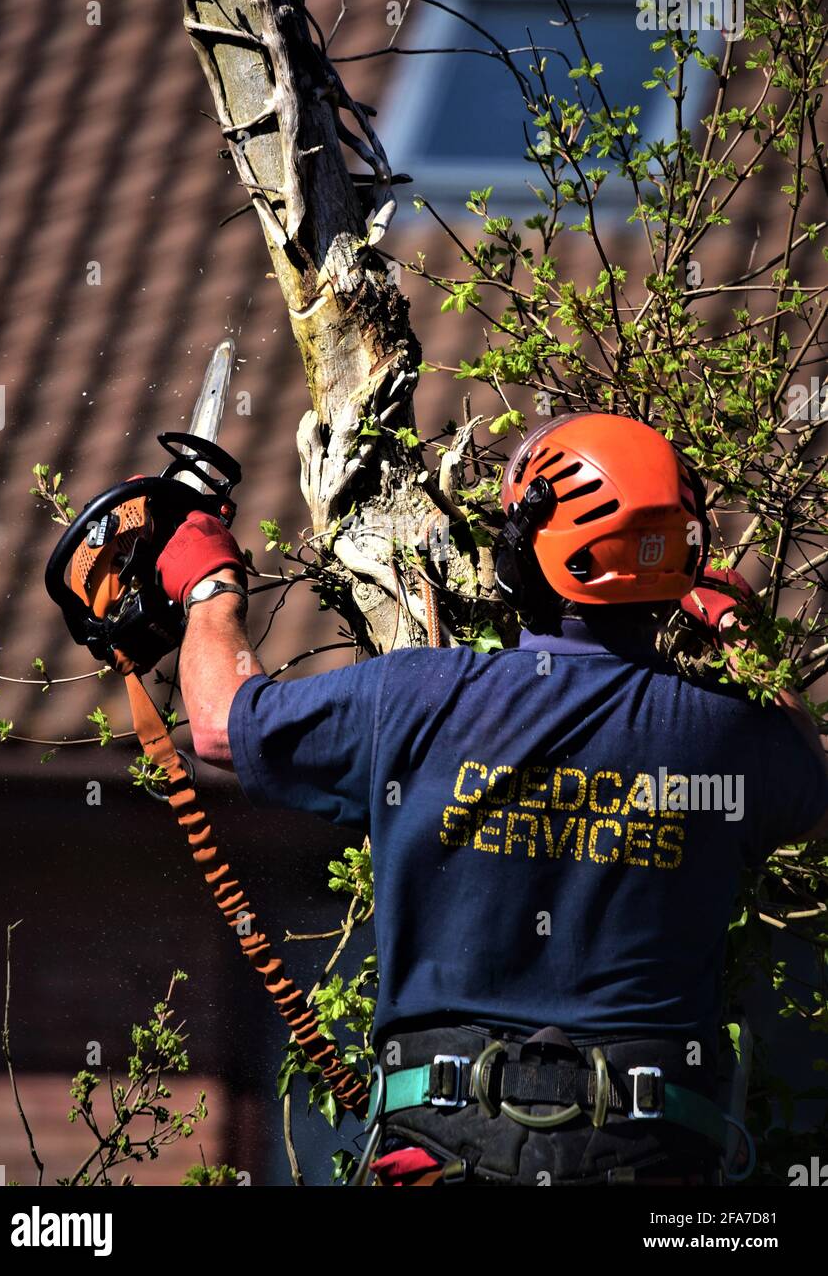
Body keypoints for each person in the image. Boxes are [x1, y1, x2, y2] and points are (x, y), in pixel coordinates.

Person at [157, 412, 828, 1187]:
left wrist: (209, 587)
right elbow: (813, 802)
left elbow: (215, 727)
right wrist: (739, 631)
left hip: (439, 1152)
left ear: (523, 552)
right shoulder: (728, 739)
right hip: (650, 1155)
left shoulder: (415, 699)